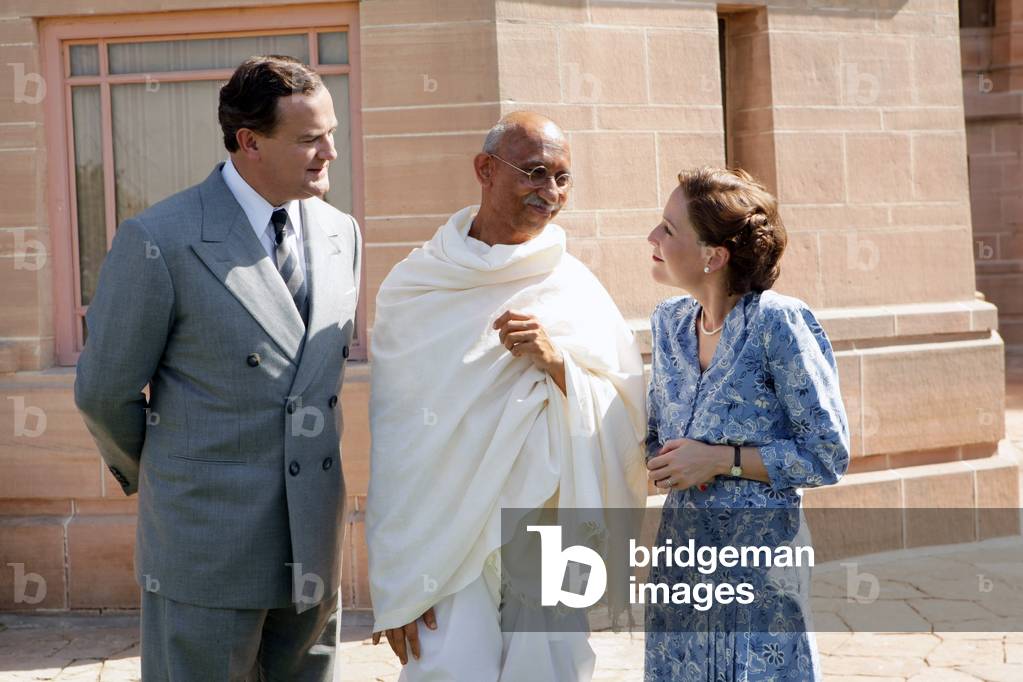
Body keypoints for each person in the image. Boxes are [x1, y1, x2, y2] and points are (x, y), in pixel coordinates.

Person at [73, 55, 361, 681]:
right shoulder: (161, 238)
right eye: (310, 139)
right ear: (249, 142)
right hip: (205, 538)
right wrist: (168, 473)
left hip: (313, 534)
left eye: (331, 132)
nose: (330, 152)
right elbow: (104, 391)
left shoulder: (343, 234)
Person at [366, 111, 648, 681]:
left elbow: (629, 411)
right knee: (446, 668)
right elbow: (398, 443)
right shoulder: (417, 284)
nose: (551, 193)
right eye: (536, 172)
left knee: (550, 670)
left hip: (545, 523)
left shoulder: (573, 284)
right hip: (445, 534)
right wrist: (401, 576)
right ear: (485, 170)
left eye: (563, 178)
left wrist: (559, 363)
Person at [643, 167, 850, 681]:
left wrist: (718, 460)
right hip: (681, 566)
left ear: (714, 256)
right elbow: (654, 432)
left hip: (758, 571)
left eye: (668, 229)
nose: (652, 238)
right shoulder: (668, 323)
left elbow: (827, 454)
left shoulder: (777, 323)